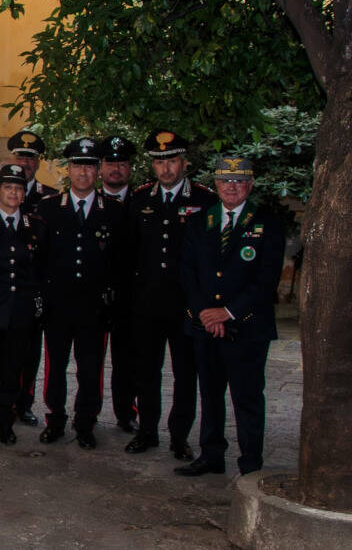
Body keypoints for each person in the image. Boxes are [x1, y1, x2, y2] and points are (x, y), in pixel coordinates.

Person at [176, 157, 283, 477]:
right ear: (217, 184)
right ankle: (211, 455)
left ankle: (251, 463)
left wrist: (228, 312)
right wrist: (205, 313)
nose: (232, 187)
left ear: (250, 185)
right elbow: (188, 272)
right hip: (205, 326)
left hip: (248, 327)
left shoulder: (267, 222)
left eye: (239, 181)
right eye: (225, 181)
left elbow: (267, 280)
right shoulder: (200, 221)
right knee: (210, 395)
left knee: (247, 396)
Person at [124, 130, 215, 460]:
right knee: (146, 371)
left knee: (185, 374)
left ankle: (179, 436)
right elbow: (129, 253)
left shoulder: (204, 201)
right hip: (147, 303)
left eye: (171, 160)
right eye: (159, 162)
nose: (165, 168)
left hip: (185, 306)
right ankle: (147, 431)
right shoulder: (140, 199)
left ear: (184, 163)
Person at [37, 137, 124, 450]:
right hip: (57, 305)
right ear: (68, 169)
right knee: (55, 366)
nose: (83, 172)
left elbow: (119, 261)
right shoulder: (48, 208)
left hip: (93, 307)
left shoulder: (113, 211)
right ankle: (55, 419)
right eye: (77, 165)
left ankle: (86, 422)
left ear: (98, 170)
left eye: (89, 166)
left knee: (91, 368)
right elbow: (40, 257)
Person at [0, 164, 46, 446]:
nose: (13, 193)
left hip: (20, 312)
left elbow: (39, 271)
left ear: (24, 194)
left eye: (18, 189)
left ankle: (5, 423)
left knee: (12, 371)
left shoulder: (35, 226)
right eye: (8, 188)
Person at [6, 129, 57, 427]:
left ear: (38, 163)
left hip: (34, 288)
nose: (25, 163)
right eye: (20, 156)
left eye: (31, 158)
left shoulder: (49, 198)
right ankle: (1, 402)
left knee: (30, 352)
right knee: (0, 354)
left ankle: (24, 402)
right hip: (2, 288)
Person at [99, 135, 139, 434]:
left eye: (122, 164)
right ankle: (87, 412)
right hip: (94, 295)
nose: (116, 169)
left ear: (130, 169)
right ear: (100, 167)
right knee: (90, 360)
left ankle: (127, 412)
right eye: (110, 163)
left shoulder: (142, 202)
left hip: (130, 297)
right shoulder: (89, 200)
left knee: (127, 359)